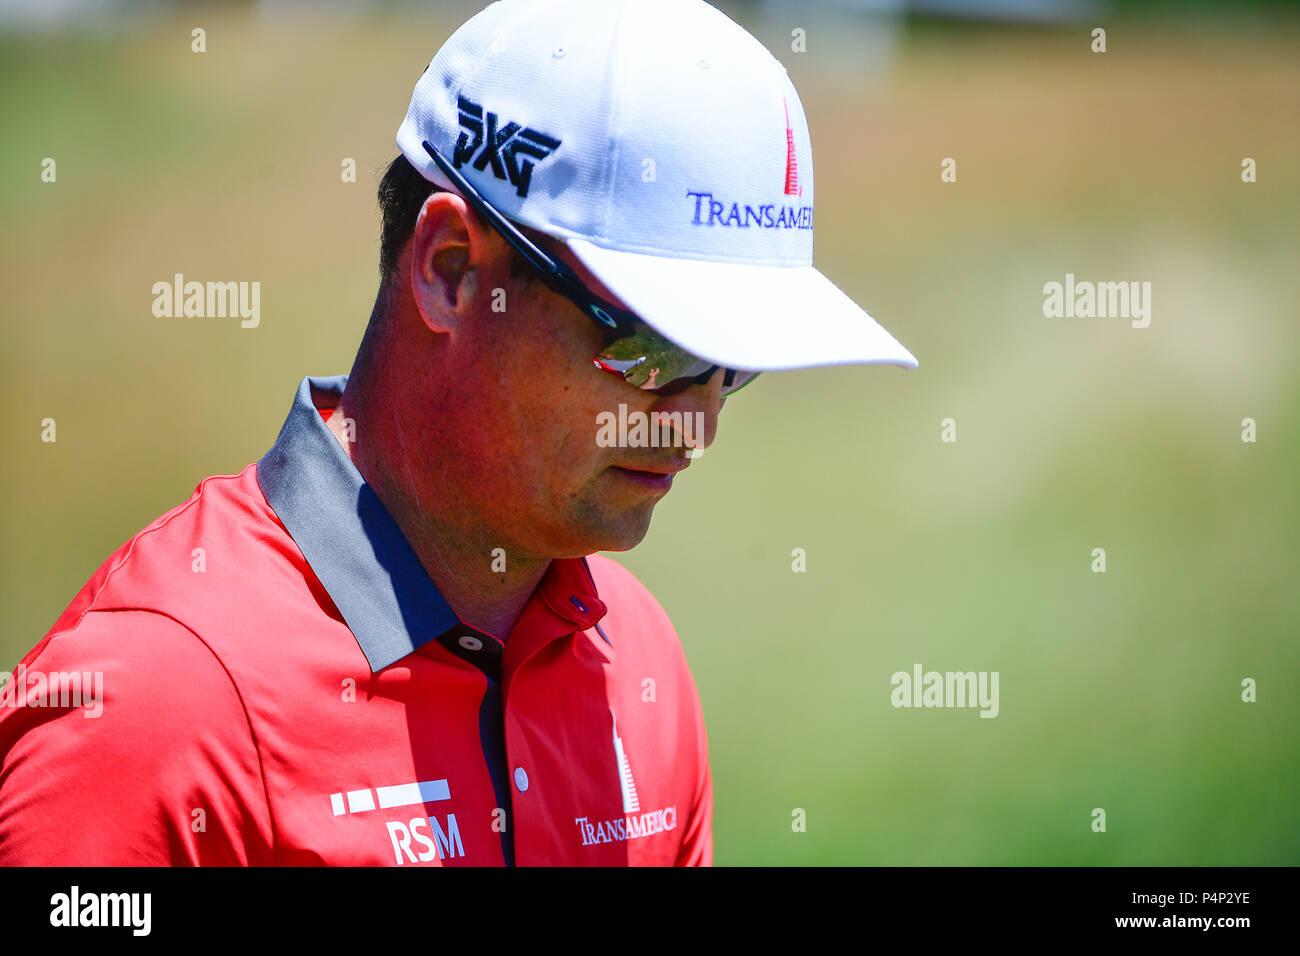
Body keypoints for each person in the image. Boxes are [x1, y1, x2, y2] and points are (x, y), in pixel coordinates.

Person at [0, 0, 915, 866]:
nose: (699, 419)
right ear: (449, 270)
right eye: (653, 348)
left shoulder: (636, 661)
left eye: (735, 363)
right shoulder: (150, 710)